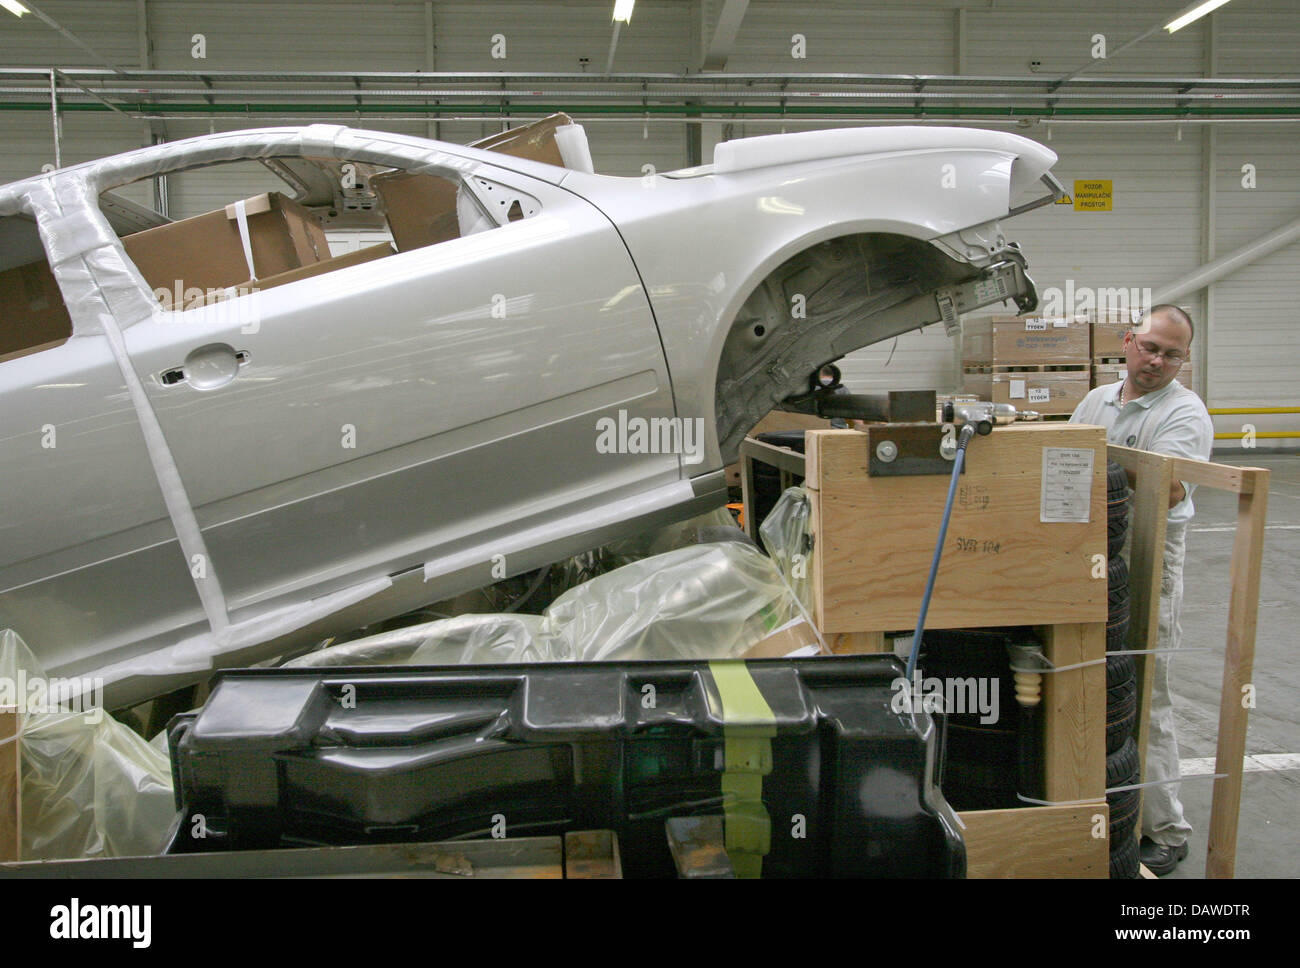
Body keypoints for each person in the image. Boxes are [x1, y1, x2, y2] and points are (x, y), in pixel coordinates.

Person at [1069, 304, 1213, 876]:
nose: (1157, 361)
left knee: (1145, 690)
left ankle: (1167, 827)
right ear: (1128, 342)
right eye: (1150, 347)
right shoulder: (1098, 400)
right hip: (1089, 555)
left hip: (1147, 557)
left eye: (1172, 354)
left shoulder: (1185, 414)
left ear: (1185, 360)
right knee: (1090, 678)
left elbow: (1168, 490)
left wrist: (1098, 473)